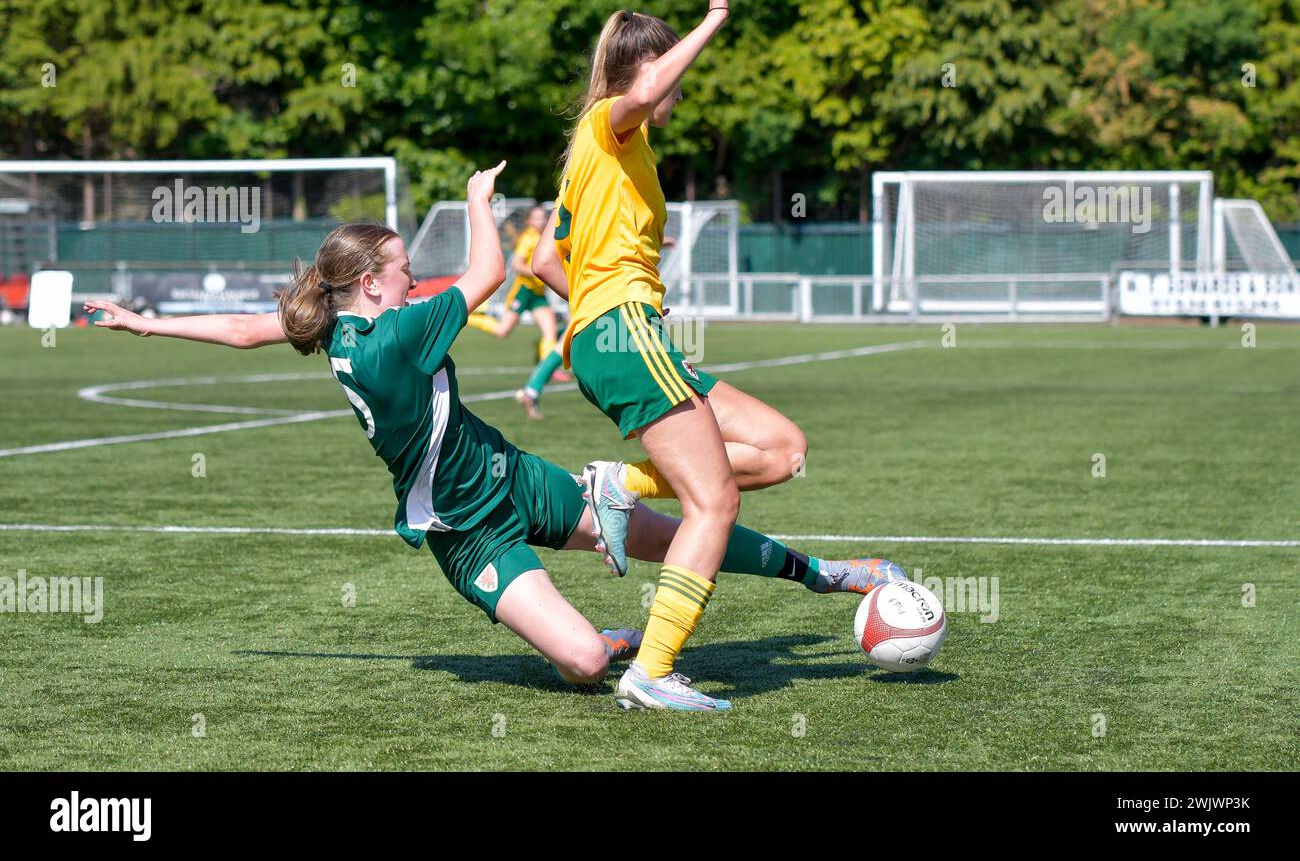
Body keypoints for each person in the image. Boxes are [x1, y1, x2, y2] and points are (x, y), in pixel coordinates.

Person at [85, 161, 907, 712]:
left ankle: (827, 575)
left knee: (693, 520)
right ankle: (622, 643)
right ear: (372, 283)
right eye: (405, 267)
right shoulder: (396, 336)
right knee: (584, 664)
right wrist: (480, 204)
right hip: (465, 529)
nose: (415, 275)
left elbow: (240, 329)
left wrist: (145, 325)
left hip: (509, 475)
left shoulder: (342, 324)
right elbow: (485, 276)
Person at [531, 0, 812, 708]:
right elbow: (646, 85)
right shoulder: (605, 126)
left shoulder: (623, 154)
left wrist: (596, 315)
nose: (678, 87)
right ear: (643, 71)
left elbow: (547, 262)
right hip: (624, 334)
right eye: (668, 72)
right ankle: (651, 673)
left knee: (783, 451)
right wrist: (715, 16)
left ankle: (617, 486)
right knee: (715, 502)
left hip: (625, 335)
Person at [462, 203, 571, 419]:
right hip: (522, 292)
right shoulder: (529, 238)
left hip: (538, 295)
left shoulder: (547, 238)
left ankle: (548, 369)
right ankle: (471, 317)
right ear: (530, 221)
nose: (541, 221)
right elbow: (517, 264)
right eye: (537, 218)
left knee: (550, 333)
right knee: (502, 331)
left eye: (543, 217)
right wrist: (538, 271)